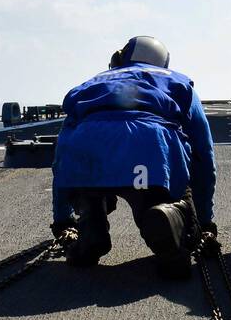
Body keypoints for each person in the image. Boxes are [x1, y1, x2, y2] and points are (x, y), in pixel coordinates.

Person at [51, 36, 216, 280]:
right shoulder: (178, 82)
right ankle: (166, 217)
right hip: (149, 154)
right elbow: (204, 153)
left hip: (87, 154)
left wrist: (62, 220)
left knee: (87, 189)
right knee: (160, 205)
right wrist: (203, 222)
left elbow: (61, 156)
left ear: (119, 59)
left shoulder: (89, 84)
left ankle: (90, 227)